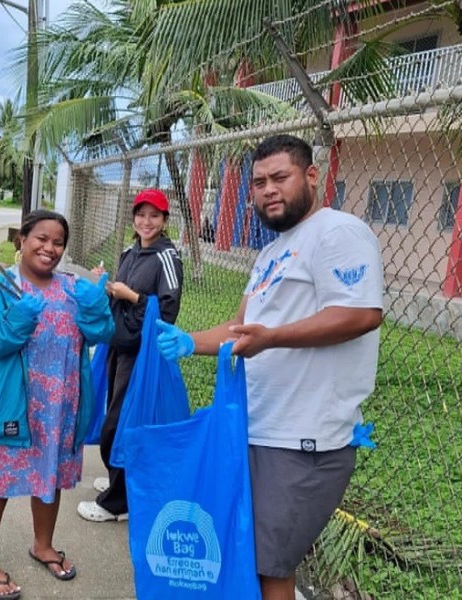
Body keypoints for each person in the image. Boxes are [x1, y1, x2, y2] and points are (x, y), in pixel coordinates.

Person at [156, 134, 384, 600]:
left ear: (312, 176)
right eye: (258, 182)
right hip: (257, 427)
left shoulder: (337, 232)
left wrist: (274, 338)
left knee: (268, 566)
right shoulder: (270, 253)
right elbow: (242, 327)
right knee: (247, 555)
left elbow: (361, 313)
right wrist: (187, 342)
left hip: (304, 439)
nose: (267, 190)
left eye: (280, 177)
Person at [0, 210, 114, 600]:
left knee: (50, 478)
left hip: (61, 408)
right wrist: (18, 320)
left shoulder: (71, 288)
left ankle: (42, 545)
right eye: (41, 239)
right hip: (16, 409)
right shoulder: (1, 286)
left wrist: (97, 307)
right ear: (22, 240)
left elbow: (102, 334)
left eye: (58, 242)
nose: (50, 248)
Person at [76, 188, 184, 523]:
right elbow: (119, 296)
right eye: (141, 215)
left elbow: (167, 311)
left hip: (142, 352)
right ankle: (117, 480)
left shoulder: (167, 257)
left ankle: (117, 503)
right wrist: (107, 284)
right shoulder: (129, 251)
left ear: (165, 220)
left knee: (121, 425)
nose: (146, 221)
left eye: (154, 215)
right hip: (118, 345)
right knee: (113, 414)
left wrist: (133, 296)